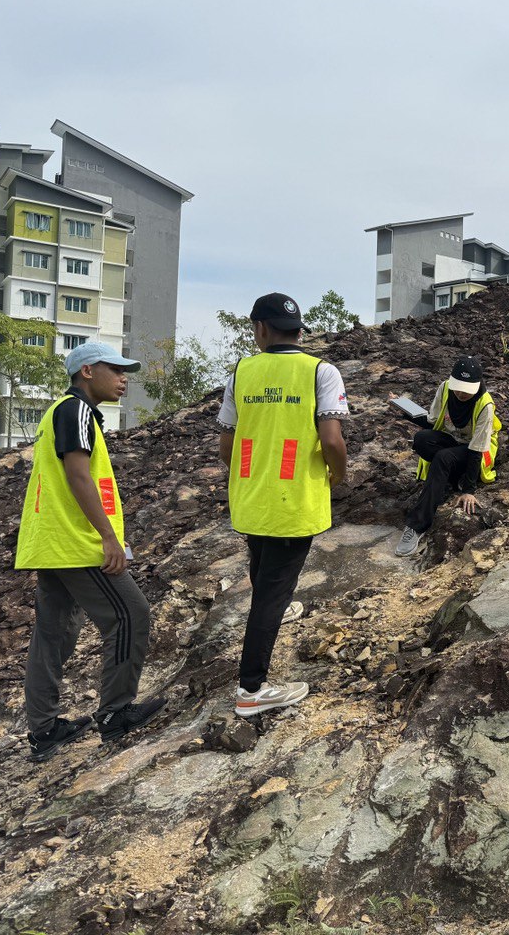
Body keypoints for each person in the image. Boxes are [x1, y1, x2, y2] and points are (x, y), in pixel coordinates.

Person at [15, 343, 166, 762]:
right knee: (130, 614)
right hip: (76, 543)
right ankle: (116, 713)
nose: (124, 377)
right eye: (115, 369)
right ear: (86, 371)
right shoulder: (76, 411)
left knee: (54, 634)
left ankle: (44, 730)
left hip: (51, 542)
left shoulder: (63, 412)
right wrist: (108, 538)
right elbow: (79, 476)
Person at [218, 293, 349, 718]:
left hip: (251, 496)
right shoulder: (321, 372)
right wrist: (339, 474)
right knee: (271, 592)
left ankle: (275, 607)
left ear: (260, 329)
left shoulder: (242, 371)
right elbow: (331, 440)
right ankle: (251, 690)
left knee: (263, 565)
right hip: (295, 501)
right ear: (299, 330)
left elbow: (227, 442)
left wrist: (252, 474)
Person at [393, 356, 501, 557]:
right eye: (458, 387)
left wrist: (468, 490)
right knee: (422, 440)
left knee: (443, 458)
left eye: (466, 390)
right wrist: (403, 408)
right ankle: (450, 478)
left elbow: (477, 449)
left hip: (473, 451)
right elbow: (431, 421)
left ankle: (417, 525)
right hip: (452, 443)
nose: (460, 393)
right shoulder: (445, 388)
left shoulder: (485, 405)